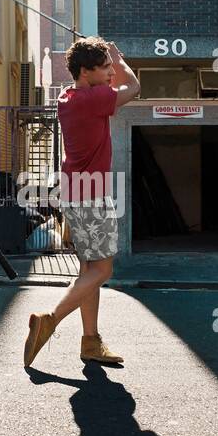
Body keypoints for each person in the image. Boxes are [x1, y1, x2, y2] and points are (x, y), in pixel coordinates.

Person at [23, 37, 140, 367]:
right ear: (86, 72)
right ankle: (50, 319)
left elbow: (115, 87)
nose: (110, 74)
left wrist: (108, 64)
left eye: (109, 67)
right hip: (92, 193)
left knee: (89, 268)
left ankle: (90, 341)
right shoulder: (94, 98)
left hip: (74, 192)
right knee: (103, 268)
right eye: (103, 69)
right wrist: (118, 58)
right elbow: (134, 86)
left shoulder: (68, 96)